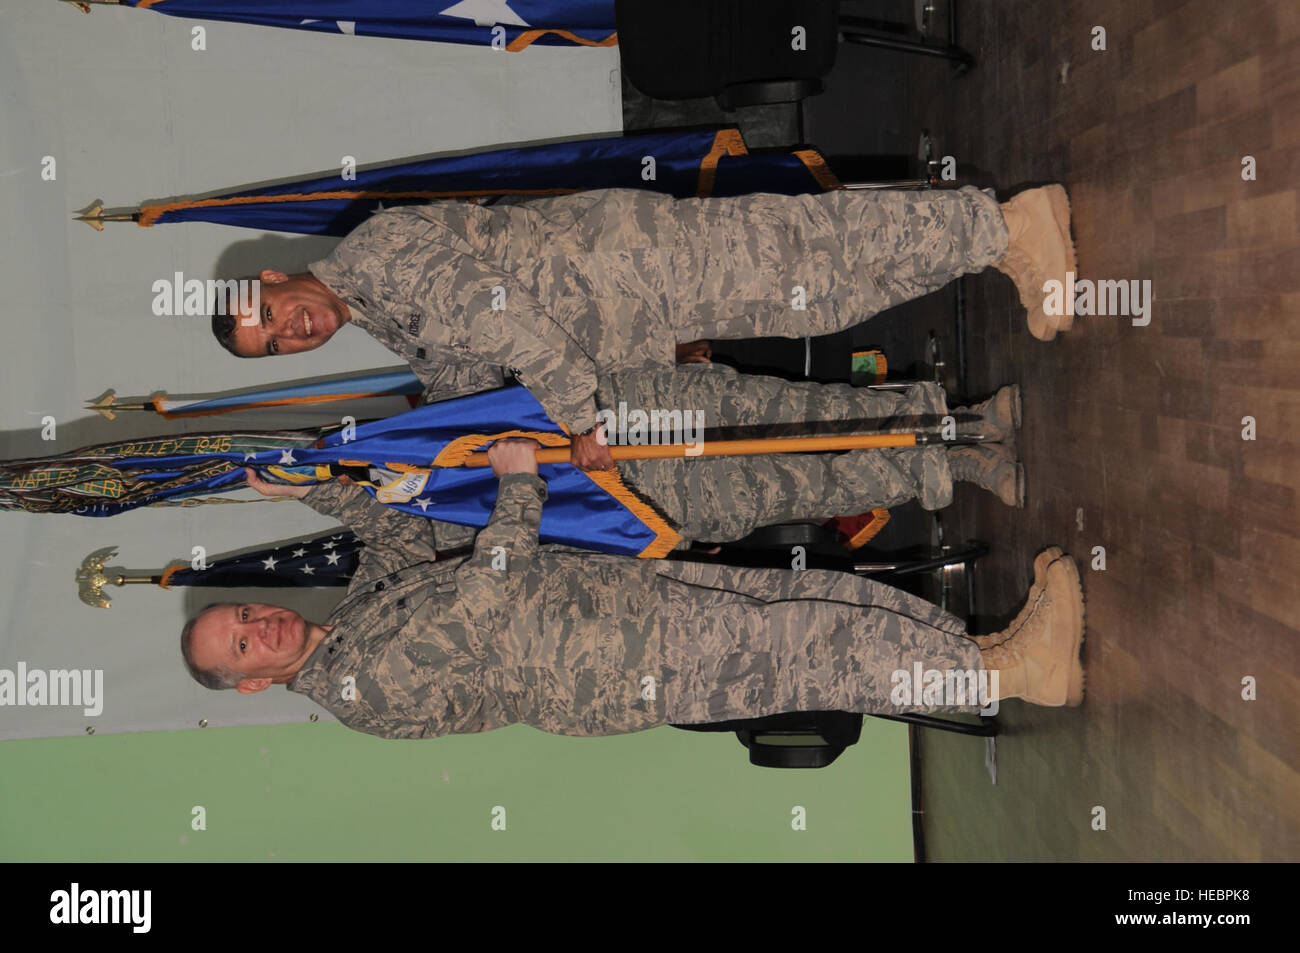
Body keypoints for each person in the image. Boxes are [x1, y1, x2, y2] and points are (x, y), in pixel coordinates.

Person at [179, 442, 1087, 740]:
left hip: (622, 605)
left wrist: (310, 491)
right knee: (821, 653)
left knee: (822, 615)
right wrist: (519, 486)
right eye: (243, 643)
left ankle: (990, 656)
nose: (261, 623)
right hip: (622, 658)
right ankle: (1009, 674)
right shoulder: (357, 686)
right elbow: (479, 598)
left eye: (243, 612)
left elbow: (395, 539)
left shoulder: (350, 624)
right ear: (253, 683)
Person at [211, 185, 1075, 470]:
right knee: (822, 300)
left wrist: (580, 417)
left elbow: (500, 320)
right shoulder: (380, 319)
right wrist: (387, 463)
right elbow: (461, 383)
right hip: (640, 310)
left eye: (274, 316)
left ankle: (1007, 224)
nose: (294, 331)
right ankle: (992, 248)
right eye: (276, 346)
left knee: (821, 245)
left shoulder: (377, 255)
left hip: (637, 261)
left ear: (275, 278)